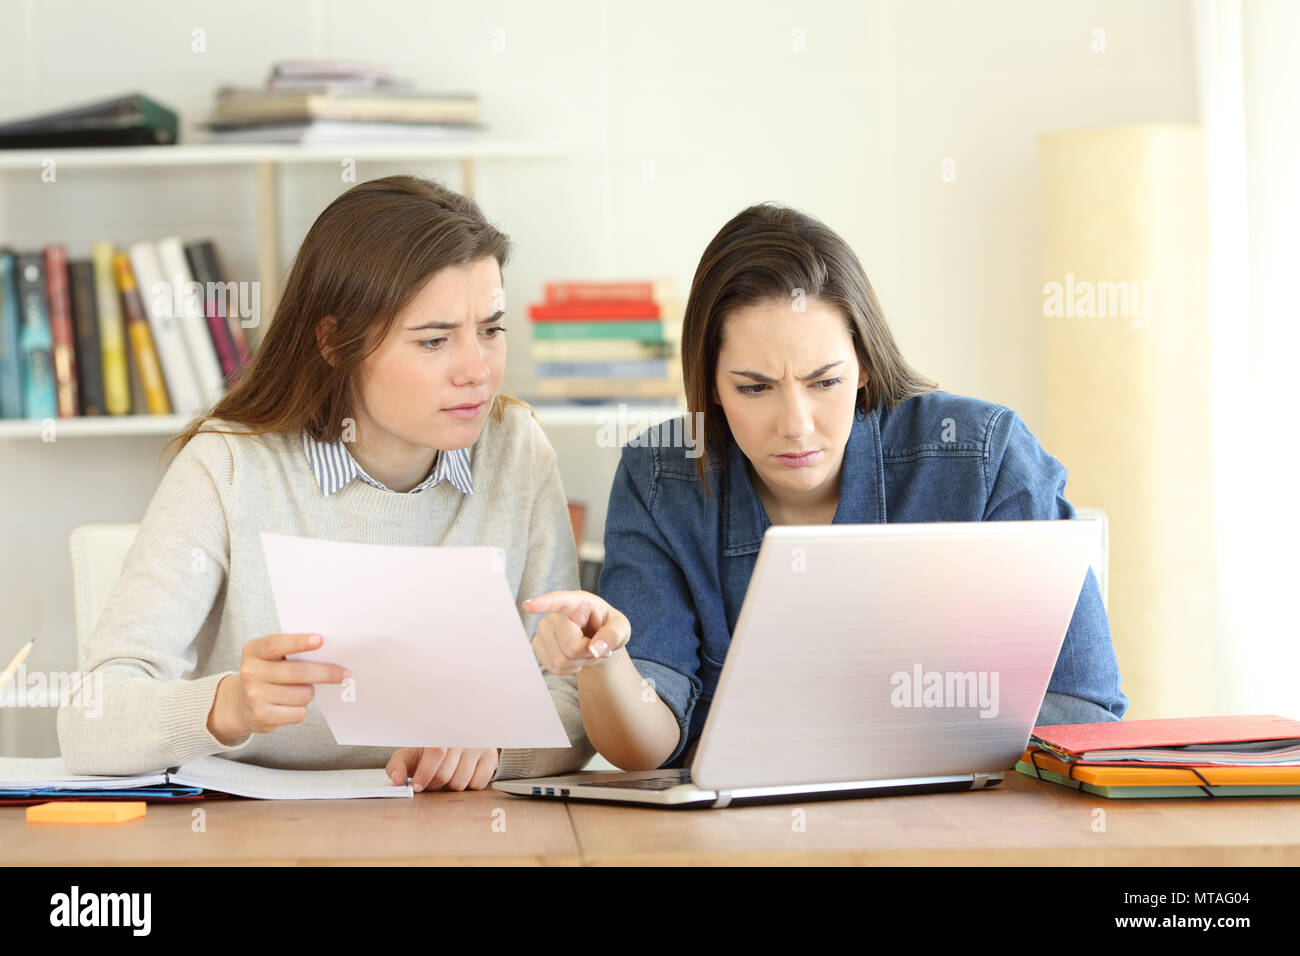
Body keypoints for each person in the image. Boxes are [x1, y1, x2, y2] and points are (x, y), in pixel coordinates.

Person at [525, 201, 1128, 771]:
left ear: (863, 364)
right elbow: (645, 749)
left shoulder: (981, 457)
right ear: (708, 383)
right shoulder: (662, 477)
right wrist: (603, 660)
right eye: (754, 387)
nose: (796, 425)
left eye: (825, 381)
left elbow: (1083, 714)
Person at [57, 174, 594, 789]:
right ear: (335, 341)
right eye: (435, 340)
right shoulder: (230, 466)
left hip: (454, 825)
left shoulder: (517, 450)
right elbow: (88, 719)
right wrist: (226, 705)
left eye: (491, 329)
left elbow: (575, 696)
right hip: (254, 831)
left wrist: (499, 743)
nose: (477, 370)